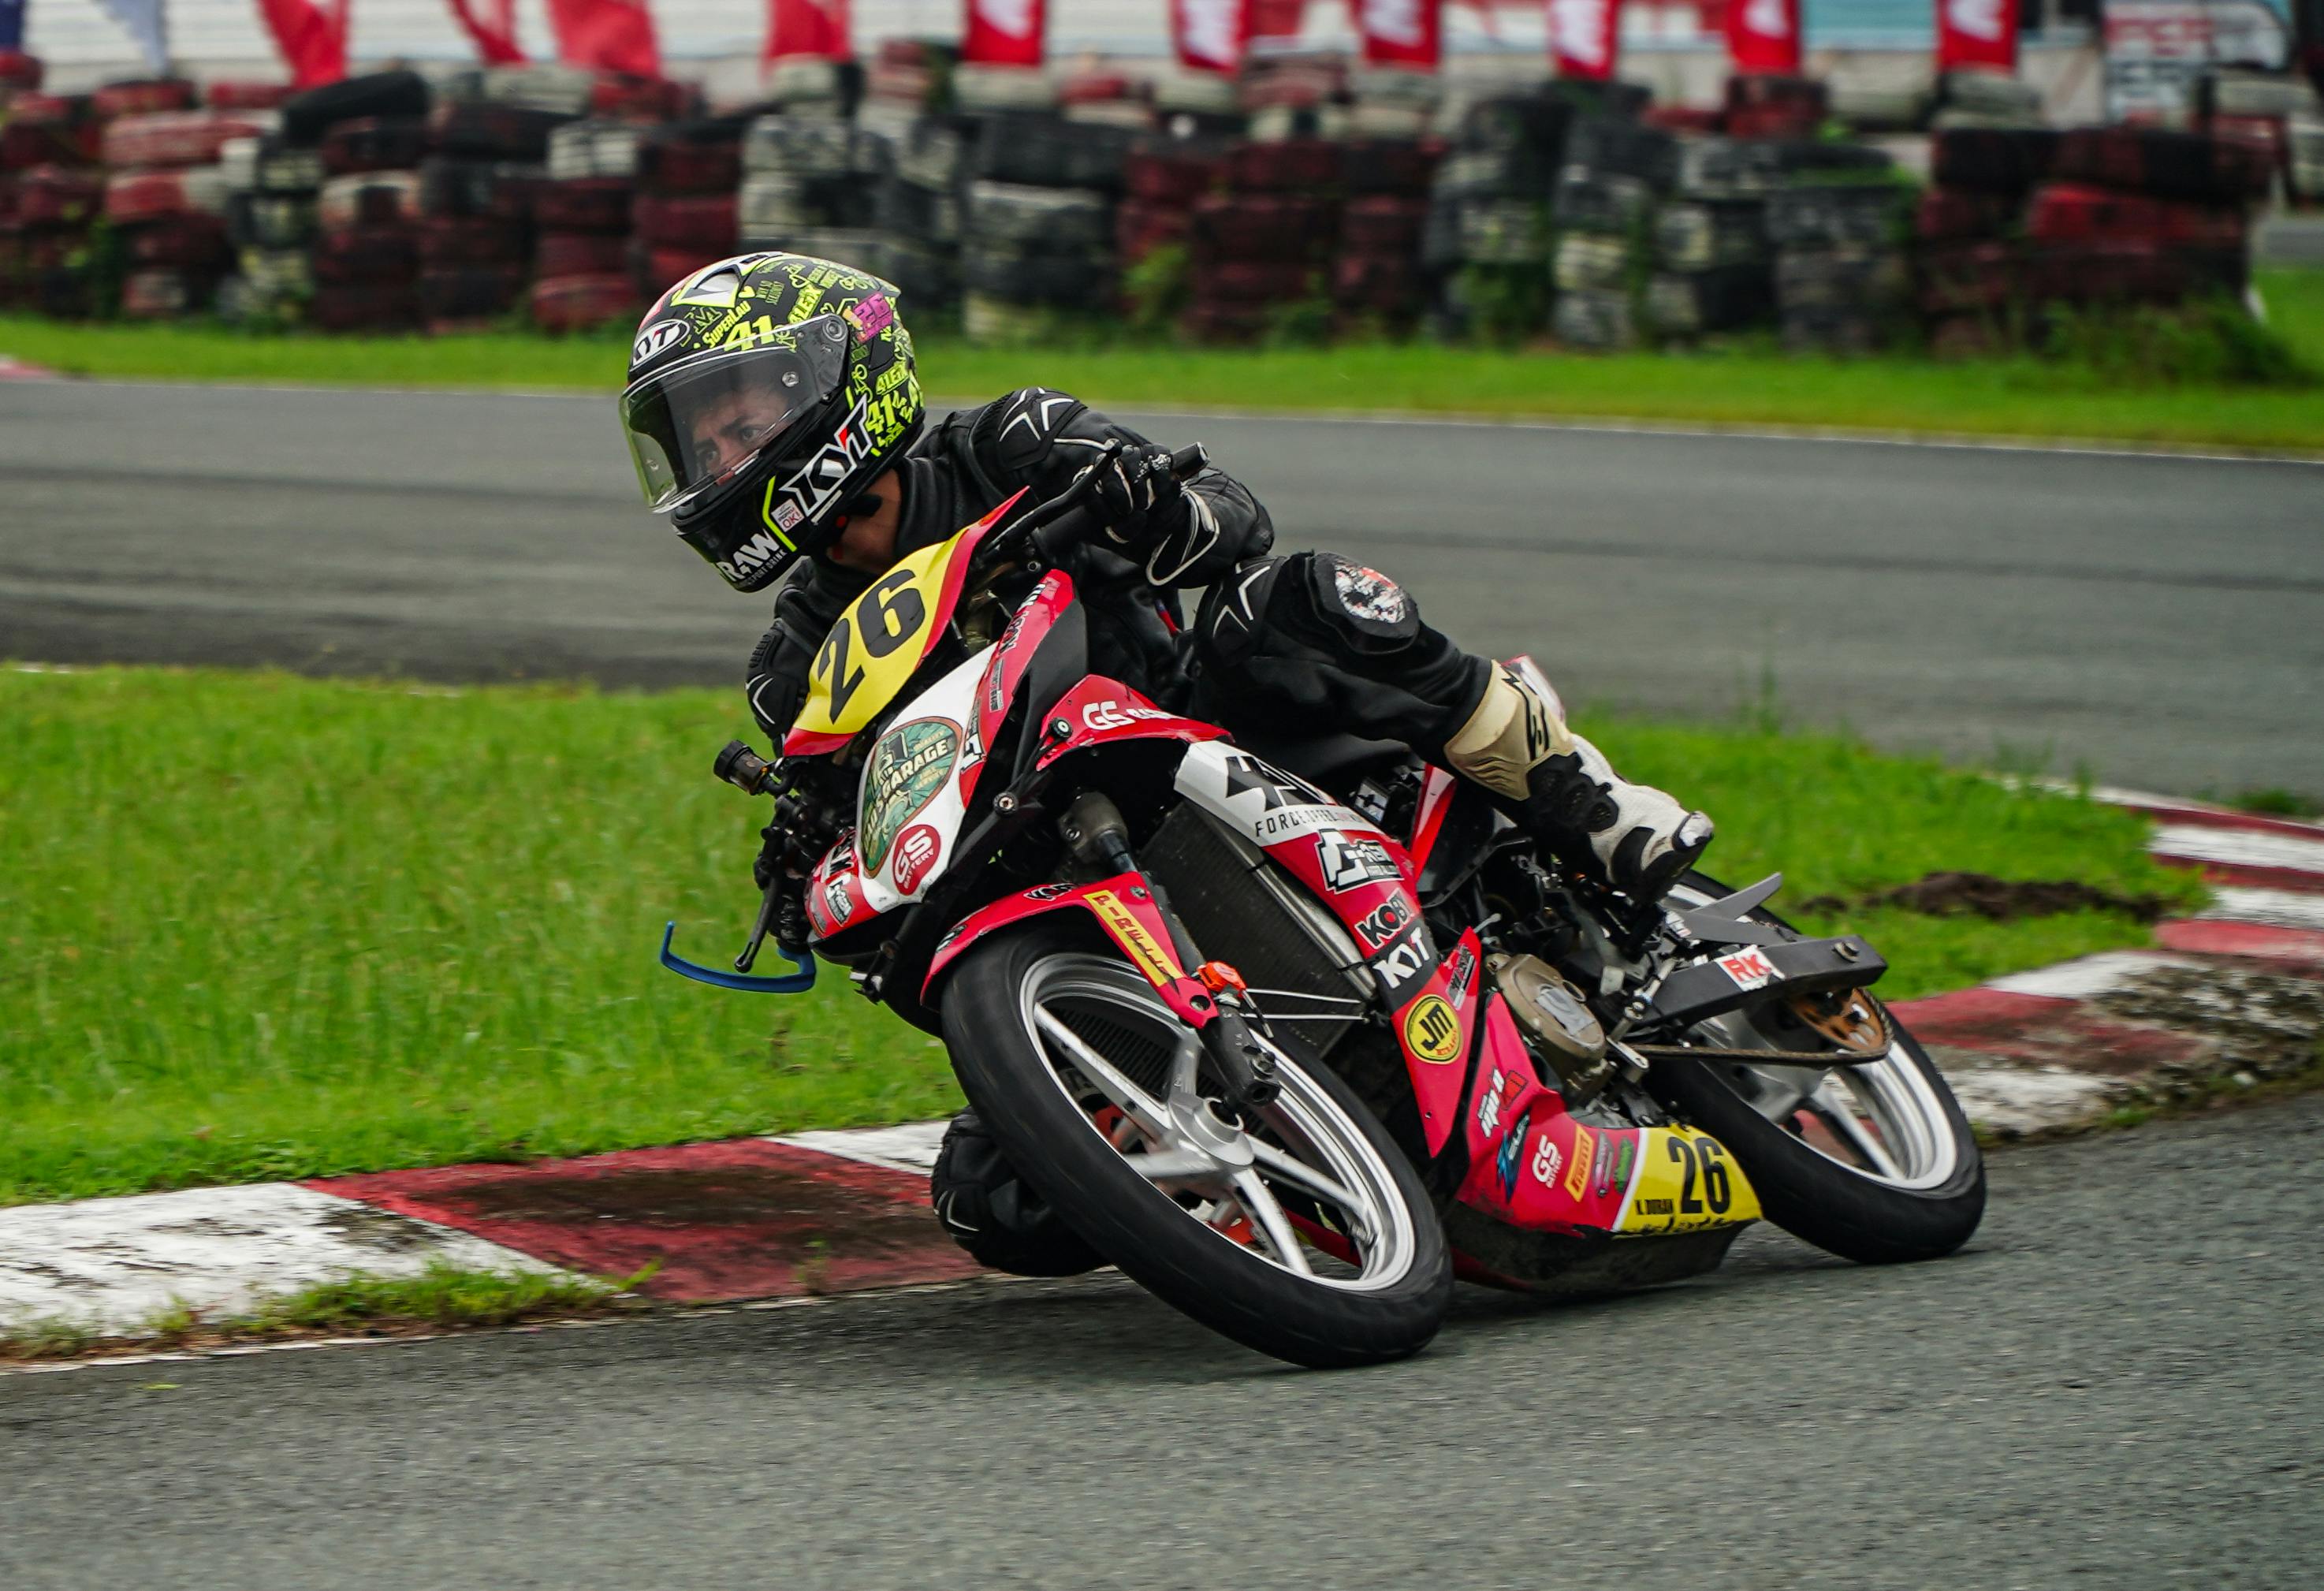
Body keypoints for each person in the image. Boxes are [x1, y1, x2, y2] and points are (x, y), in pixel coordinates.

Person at [616, 252, 1712, 912]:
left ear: (836, 377)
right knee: (993, 1204)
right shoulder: (794, 663)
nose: (722, 462)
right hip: (1055, 848)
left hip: (1202, 718)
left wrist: (1164, 509)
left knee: (1296, 598)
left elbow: (1233, 517)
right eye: (702, 445)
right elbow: (855, 810)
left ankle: (1587, 805)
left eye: (742, 419)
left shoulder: (1010, 439)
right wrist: (807, 850)